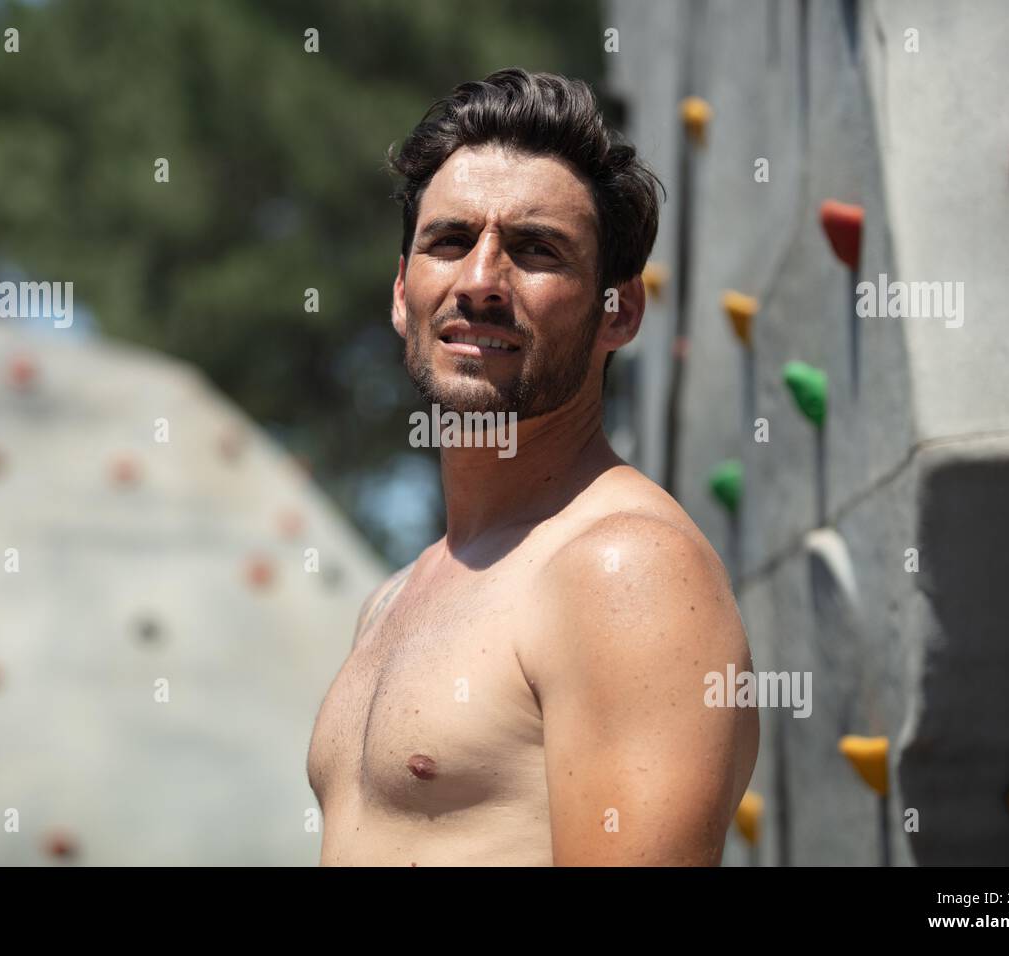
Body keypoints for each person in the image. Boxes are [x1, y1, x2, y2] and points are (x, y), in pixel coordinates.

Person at [307, 68, 758, 866]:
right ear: (403, 292)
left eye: (535, 249)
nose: (481, 282)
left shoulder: (626, 571)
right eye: (450, 242)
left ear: (618, 312)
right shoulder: (392, 598)